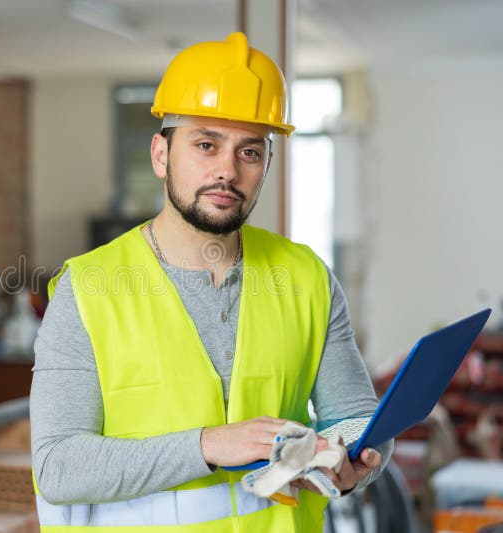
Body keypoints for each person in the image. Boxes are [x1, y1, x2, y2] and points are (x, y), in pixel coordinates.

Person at [30, 32, 392, 532]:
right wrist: (210, 445)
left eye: (249, 152)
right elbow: (58, 467)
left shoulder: (307, 277)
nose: (227, 170)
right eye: (206, 144)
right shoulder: (87, 290)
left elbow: (356, 417)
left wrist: (354, 463)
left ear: (266, 165)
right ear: (161, 155)